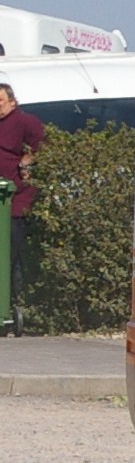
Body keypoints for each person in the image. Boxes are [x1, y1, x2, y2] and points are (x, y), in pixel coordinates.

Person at [0, 83, 46, 325]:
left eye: (0, 101)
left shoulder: (25, 121)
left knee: (9, 254)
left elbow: (42, 143)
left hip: (14, 201)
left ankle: (12, 307)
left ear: (12, 102)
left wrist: (28, 161)